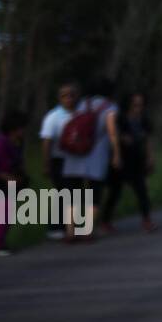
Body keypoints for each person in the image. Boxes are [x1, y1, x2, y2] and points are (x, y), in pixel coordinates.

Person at [60, 78, 119, 242]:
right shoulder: (110, 107)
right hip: (96, 156)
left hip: (74, 155)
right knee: (93, 195)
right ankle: (86, 230)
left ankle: (70, 232)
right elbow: (112, 131)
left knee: (73, 195)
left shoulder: (81, 104)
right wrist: (116, 154)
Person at [100, 92, 157, 234]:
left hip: (137, 158)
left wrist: (150, 157)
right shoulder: (120, 118)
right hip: (121, 159)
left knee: (141, 190)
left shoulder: (143, 119)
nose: (138, 107)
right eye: (135, 104)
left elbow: (148, 139)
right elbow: (114, 136)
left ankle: (147, 220)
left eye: (141, 104)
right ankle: (105, 221)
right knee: (115, 191)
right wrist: (116, 155)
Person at [39, 81, 79, 240]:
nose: (68, 98)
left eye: (71, 95)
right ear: (59, 98)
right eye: (64, 96)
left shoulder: (80, 113)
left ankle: (68, 225)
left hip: (76, 159)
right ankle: (57, 227)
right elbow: (47, 141)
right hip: (59, 160)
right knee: (64, 193)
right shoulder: (53, 117)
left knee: (73, 193)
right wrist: (46, 163)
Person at [0, 110, 29, 257]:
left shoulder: (16, 144)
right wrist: (6, 176)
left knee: (6, 214)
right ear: (14, 128)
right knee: (2, 212)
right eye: (22, 128)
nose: (24, 131)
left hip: (8, 185)